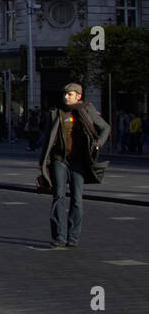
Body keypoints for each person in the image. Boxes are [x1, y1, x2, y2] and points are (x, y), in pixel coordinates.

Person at [38, 83, 111, 249]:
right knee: (58, 196)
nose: (66, 97)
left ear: (78, 95)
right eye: (65, 94)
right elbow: (48, 139)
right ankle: (59, 237)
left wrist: (98, 144)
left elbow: (105, 127)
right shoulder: (56, 112)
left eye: (70, 94)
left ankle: (73, 237)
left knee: (77, 199)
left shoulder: (86, 110)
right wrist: (42, 162)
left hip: (78, 161)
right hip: (59, 159)